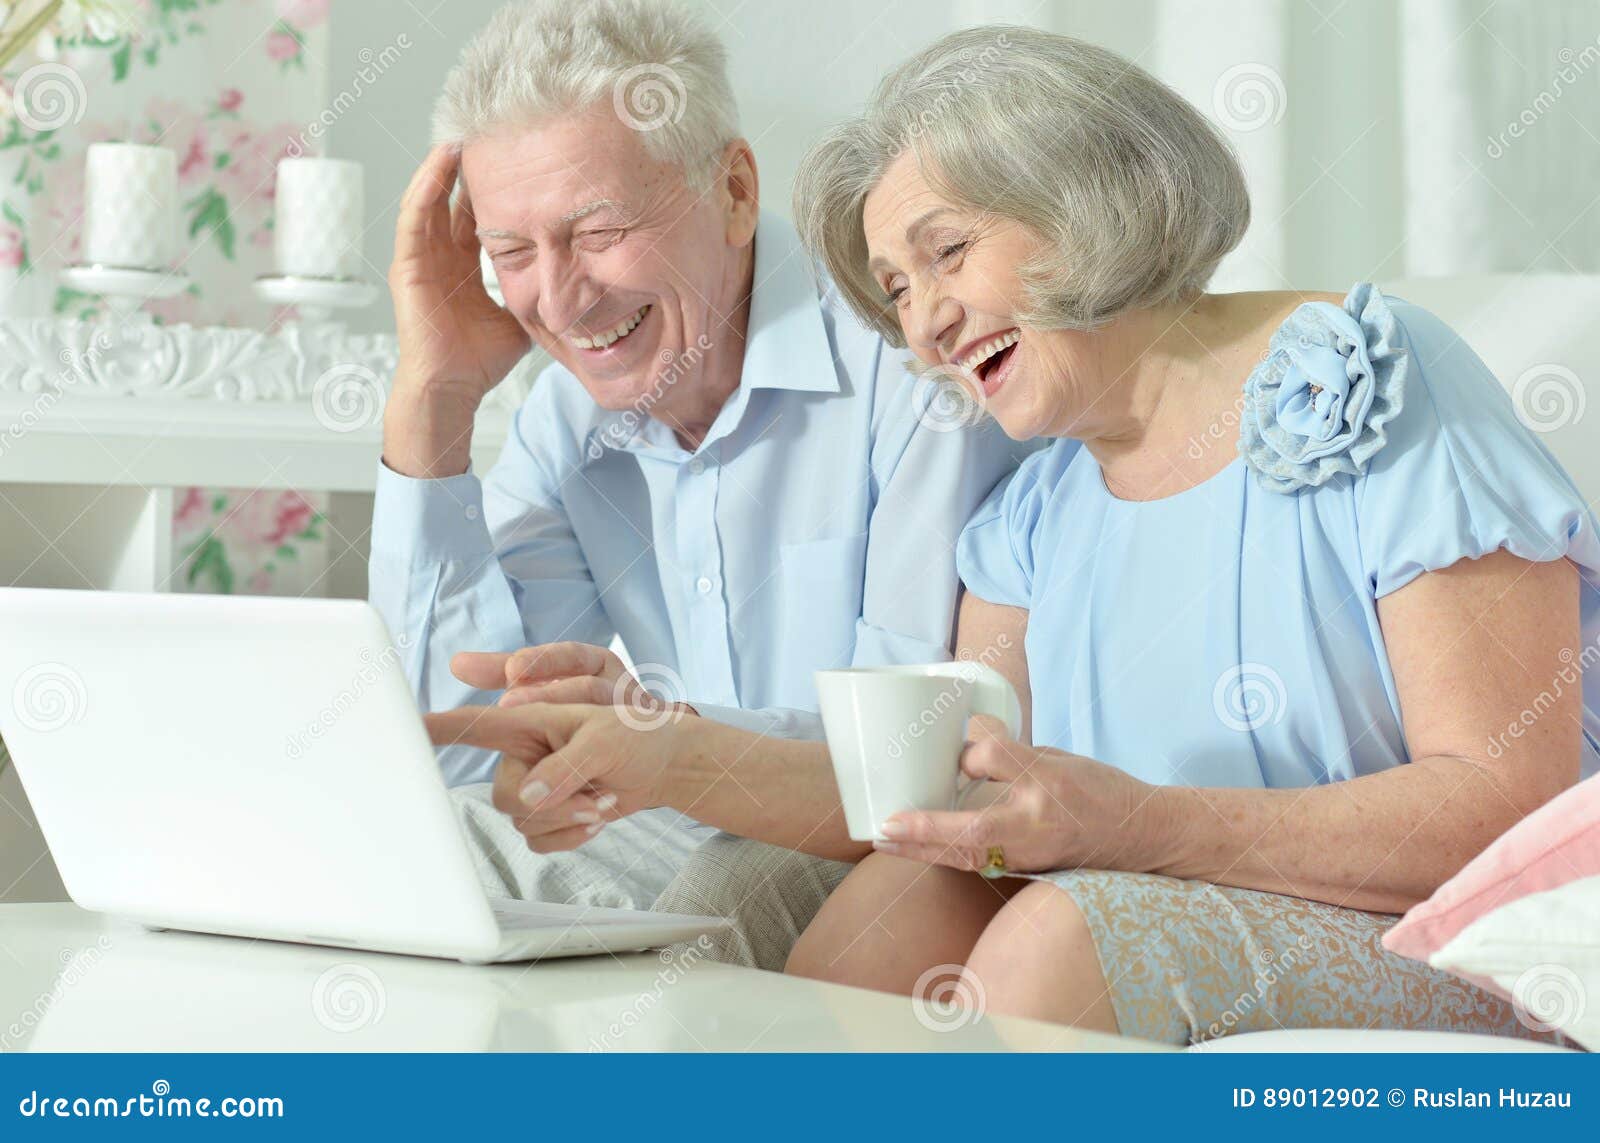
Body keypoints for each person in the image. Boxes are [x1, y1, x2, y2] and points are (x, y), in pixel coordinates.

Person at [436, 25, 1600, 1043]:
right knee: (872, 893)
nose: (926, 323)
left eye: (947, 252)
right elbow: (925, 797)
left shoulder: (1368, 377)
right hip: (1165, 892)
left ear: (1086, 197)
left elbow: (1503, 804)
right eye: (895, 288)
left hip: (1455, 933)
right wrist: (661, 748)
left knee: (1063, 932)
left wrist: (1135, 826)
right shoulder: (1032, 512)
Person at [370, 0, 1026, 916]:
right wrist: (431, 402)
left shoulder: (911, 365)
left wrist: (654, 736)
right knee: (407, 852)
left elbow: (911, 753)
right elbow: (460, 756)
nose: (559, 301)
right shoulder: (564, 417)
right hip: (695, 826)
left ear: (735, 192)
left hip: (909, 851)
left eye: (598, 233)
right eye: (511, 250)